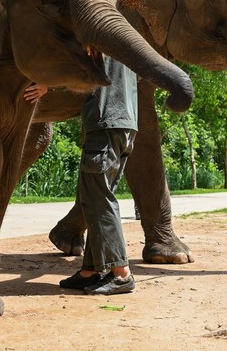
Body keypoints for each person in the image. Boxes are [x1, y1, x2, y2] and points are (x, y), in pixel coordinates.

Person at [59, 56, 138, 295]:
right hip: (125, 125)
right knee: (95, 196)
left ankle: (122, 273)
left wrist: (48, 85)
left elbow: (78, 69)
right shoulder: (127, 43)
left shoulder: (99, 35)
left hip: (104, 123)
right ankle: (91, 270)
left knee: (99, 198)